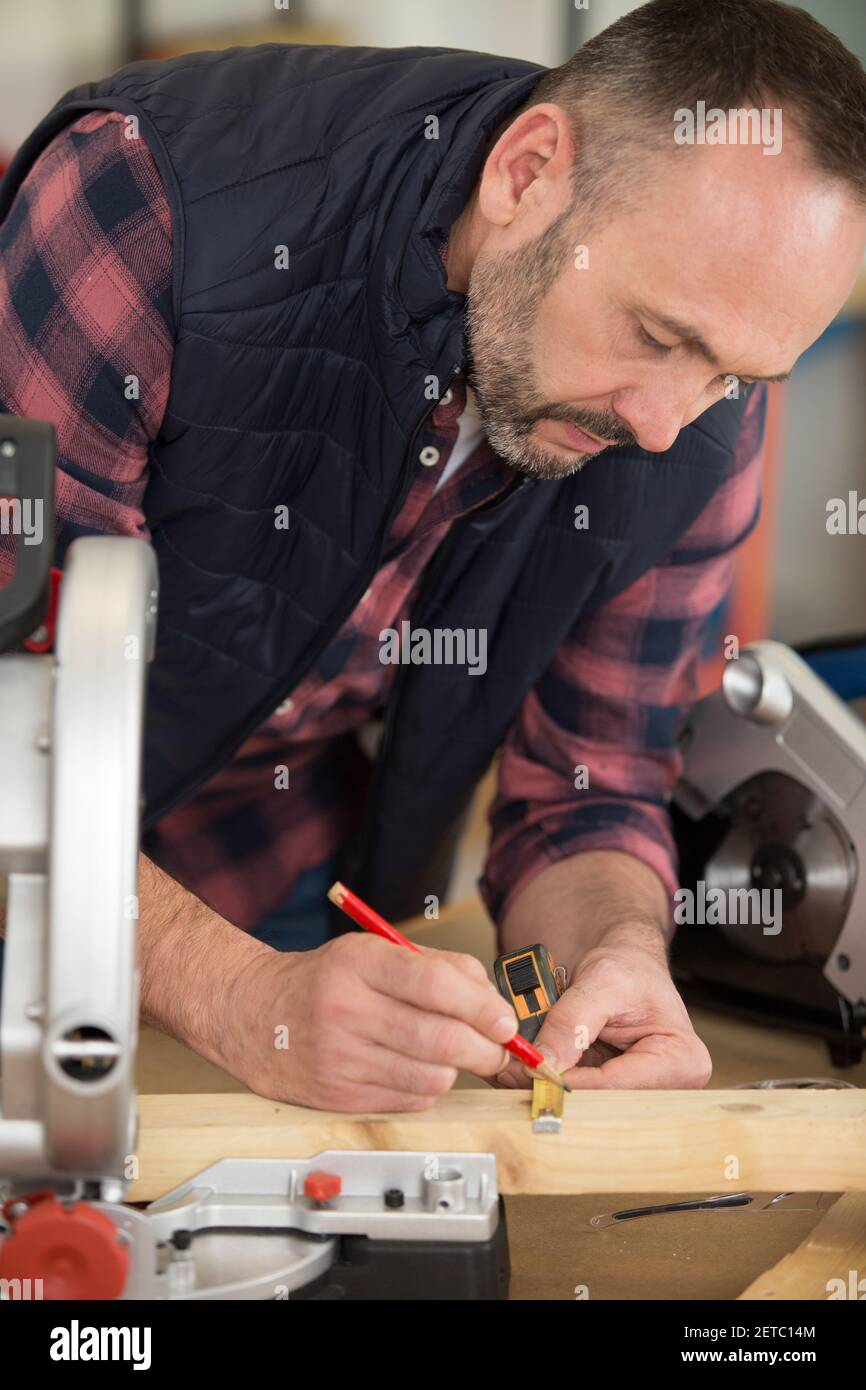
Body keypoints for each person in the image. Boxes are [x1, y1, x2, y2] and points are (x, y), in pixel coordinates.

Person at [1, 0, 865, 1109]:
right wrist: (233, 998)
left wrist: (614, 951)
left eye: (735, 376)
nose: (663, 424)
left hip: (271, 864)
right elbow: (14, 713)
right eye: (657, 336)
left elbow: (585, 784)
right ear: (526, 175)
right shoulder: (145, 206)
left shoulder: (694, 414)